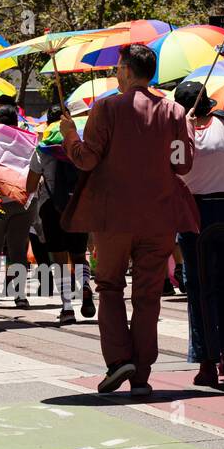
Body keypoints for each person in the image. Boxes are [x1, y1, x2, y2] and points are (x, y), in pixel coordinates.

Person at [58, 43, 198, 395]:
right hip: (160, 217)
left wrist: (70, 136)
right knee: (148, 296)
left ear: (124, 70)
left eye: (118, 67)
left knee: (109, 287)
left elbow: (86, 160)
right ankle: (142, 373)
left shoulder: (106, 107)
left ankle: (119, 360)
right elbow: (182, 164)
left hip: (114, 218)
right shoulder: (175, 111)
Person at [172, 80, 224, 387]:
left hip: (200, 214)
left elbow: (175, 168)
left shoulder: (179, 132)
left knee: (199, 289)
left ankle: (207, 363)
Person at [30, 104, 94, 326]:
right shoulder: (80, 142)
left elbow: (30, 184)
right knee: (78, 254)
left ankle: (67, 307)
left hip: (51, 208)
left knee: (58, 260)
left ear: (48, 123)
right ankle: (85, 286)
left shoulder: (42, 148)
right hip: (78, 205)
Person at [0, 105, 38, 309]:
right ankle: (19, 295)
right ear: (16, 121)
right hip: (22, 202)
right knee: (18, 249)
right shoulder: (28, 141)